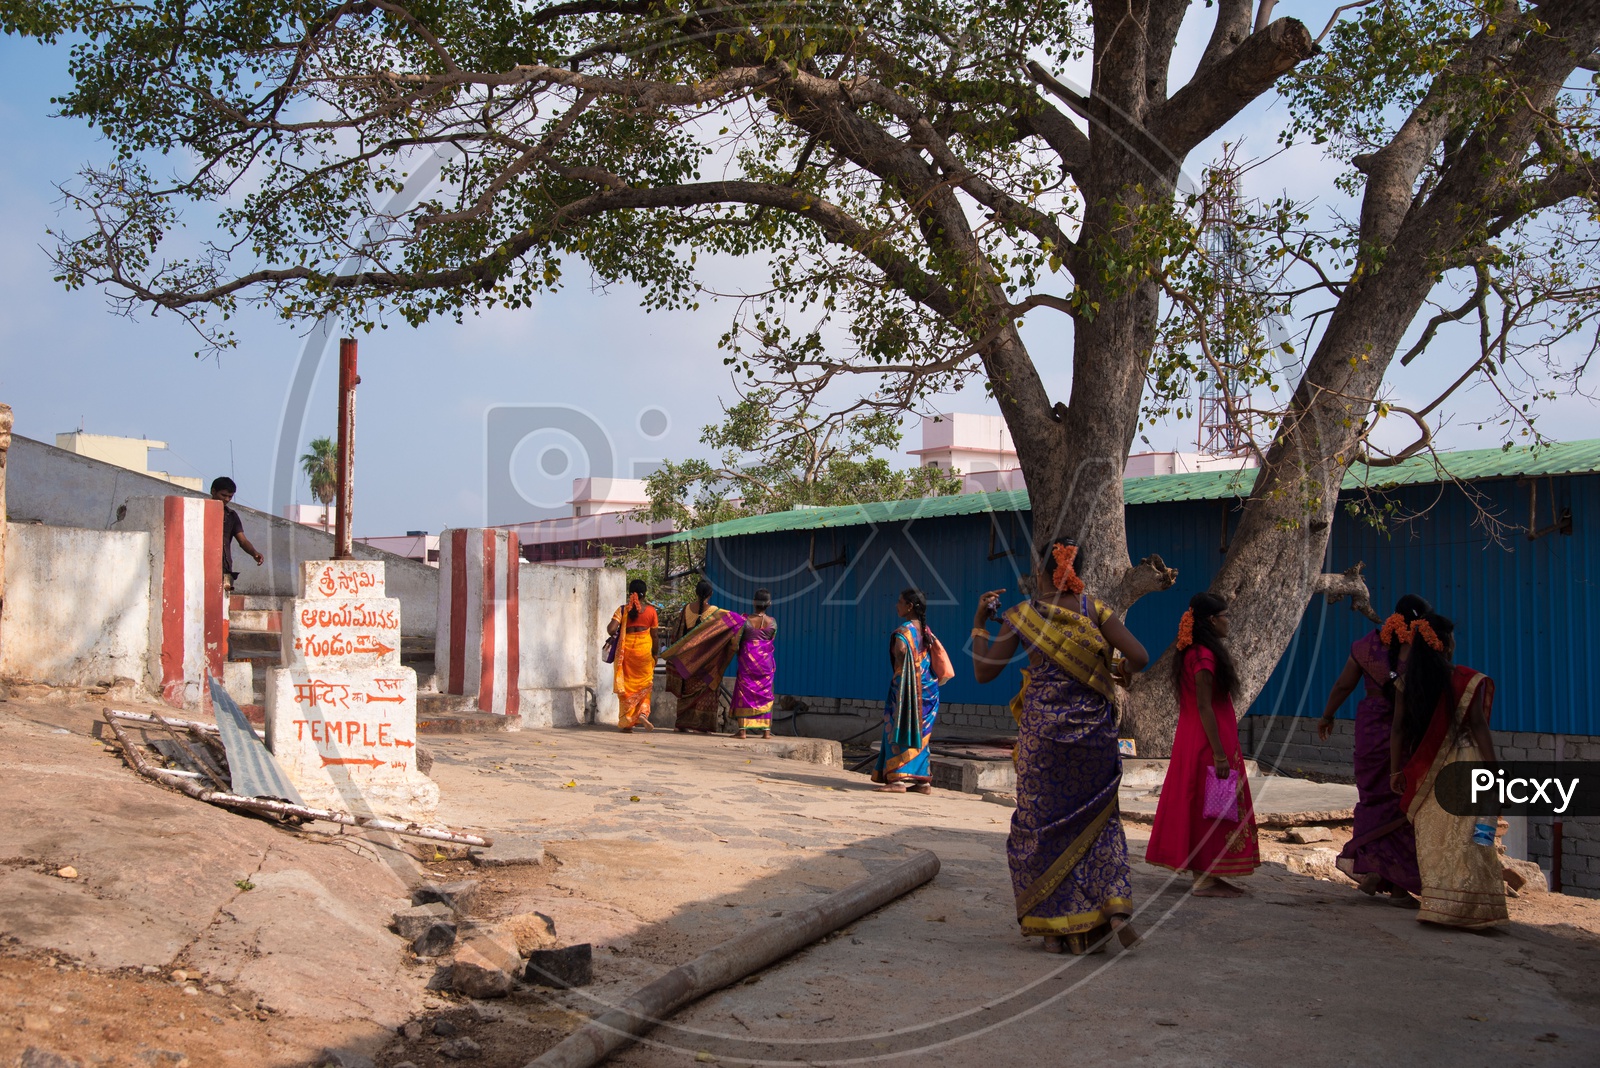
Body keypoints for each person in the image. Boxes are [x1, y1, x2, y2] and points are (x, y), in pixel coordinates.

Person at [973, 540, 1148, 954]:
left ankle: (1056, 926)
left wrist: (980, 622)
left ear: (1041, 571)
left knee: (1041, 827)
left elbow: (983, 673)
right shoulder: (1095, 610)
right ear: (1074, 568)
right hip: (1094, 740)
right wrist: (1119, 669)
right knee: (1099, 821)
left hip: (1044, 740)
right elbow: (1139, 655)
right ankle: (1113, 905)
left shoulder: (1020, 616)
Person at [1390, 612, 1506, 929]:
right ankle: (1475, 910)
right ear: (1444, 643)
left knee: (1436, 839)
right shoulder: (1466, 681)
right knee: (1472, 840)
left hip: (1426, 768)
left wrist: (1395, 771)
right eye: (1452, 637)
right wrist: (1495, 774)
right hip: (1467, 763)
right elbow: (1479, 728)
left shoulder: (1406, 683)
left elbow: (1398, 730)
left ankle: (1438, 907)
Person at [1316, 594, 1431, 906]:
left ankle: (1376, 870)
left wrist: (1327, 715)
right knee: (1402, 804)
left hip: (1369, 732)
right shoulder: (1420, 650)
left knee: (1373, 800)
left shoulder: (1367, 646)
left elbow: (1343, 685)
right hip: (1404, 735)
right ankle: (1396, 885)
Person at [1146, 591, 1261, 897]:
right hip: (1208, 741)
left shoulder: (1193, 653)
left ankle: (1205, 872)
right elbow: (1205, 706)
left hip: (1194, 737)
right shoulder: (1204, 657)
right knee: (1215, 806)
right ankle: (1206, 876)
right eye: (1226, 617)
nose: (1229, 623)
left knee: (1203, 803)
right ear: (1212, 621)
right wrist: (1220, 755)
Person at [873, 588, 950, 794]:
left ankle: (897, 780)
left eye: (900, 602)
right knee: (921, 733)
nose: (896, 605)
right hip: (928, 690)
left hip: (907, 688)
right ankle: (923, 782)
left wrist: (901, 670)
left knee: (897, 728)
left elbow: (900, 649)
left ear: (909, 606)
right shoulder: (925, 630)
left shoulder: (905, 629)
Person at [664, 580, 735, 734]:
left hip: (688, 660)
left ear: (696, 592)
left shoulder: (686, 609)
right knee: (706, 693)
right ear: (711, 594)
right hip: (707, 662)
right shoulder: (717, 612)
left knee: (686, 691)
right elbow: (733, 624)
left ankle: (681, 724)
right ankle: (701, 727)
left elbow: (678, 634)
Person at [608, 579, 660, 732]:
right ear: (645, 593)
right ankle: (643, 713)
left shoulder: (622, 610)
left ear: (630, 593)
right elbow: (655, 636)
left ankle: (628, 722)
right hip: (644, 653)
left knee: (627, 687)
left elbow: (611, 630)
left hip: (627, 654)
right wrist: (655, 655)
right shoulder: (651, 611)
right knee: (645, 684)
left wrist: (620, 624)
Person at [729, 589, 778, 738]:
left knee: (744, 692)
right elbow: (771, 639)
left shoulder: (744, 621)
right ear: (769, 604)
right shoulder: (773, 622)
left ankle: (743, 731)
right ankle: (766, 732)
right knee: (765, 694)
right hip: (765, 664)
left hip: (748, 661)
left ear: (753, 602)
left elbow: (736, 642)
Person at [210, 477, 263, 592]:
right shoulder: (200, 510)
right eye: (223, 495)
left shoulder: (232, 516)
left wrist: (254, 553)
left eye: (230, 497)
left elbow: (242, 541)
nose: (227, 499)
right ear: (213, 491)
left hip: (224, 568)